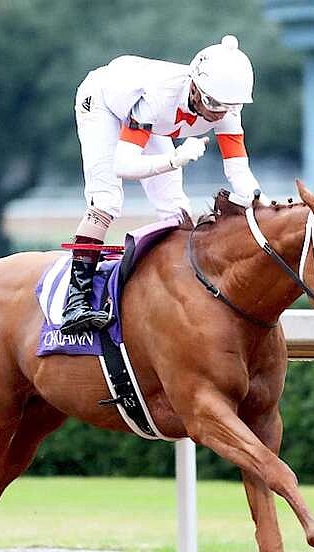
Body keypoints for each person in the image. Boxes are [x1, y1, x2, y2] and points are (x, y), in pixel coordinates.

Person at [61, 35, 270, 335]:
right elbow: (124, 165)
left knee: (177, 210)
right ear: (195, 87)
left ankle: (179, 290)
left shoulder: (225, 104)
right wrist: (174, 160)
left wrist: (260, 201)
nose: (218, 114)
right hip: (104, 104)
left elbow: (239, 170)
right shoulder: (158, 98)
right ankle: (76, 301)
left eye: (228, 107)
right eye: (212, 103)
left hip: (154, 121)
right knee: (106, 201)